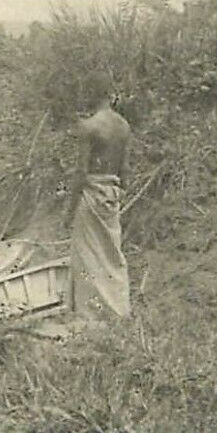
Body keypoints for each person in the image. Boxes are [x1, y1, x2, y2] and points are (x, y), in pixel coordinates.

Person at [63, 76, 133, 318]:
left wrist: (69, 210)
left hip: (91, 195)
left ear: (93, 96)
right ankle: (119, 310)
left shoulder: (89, 126)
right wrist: (117, 196)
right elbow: (125, 170)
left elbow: (81, 172)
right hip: (111, 195)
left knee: (87, 257)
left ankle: (91, 315)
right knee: (112, 255)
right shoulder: (123, 126)